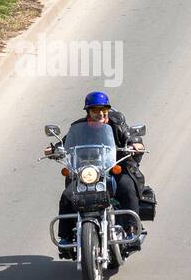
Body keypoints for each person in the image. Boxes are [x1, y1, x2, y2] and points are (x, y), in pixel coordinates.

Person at [45, 91, 146, 260]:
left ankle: (131, 230)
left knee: (127, 187)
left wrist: (136, 144)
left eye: (103, 110)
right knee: (67, 196)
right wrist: (54, 149)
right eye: (95, 110)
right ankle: (65, 238)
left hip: (113, 169)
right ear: (88, 112)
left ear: (107, 110)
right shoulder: (78, 128)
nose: (100, 114)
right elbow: (65, 142)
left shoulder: (116, 123)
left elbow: (130, 136)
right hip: (86, 173)